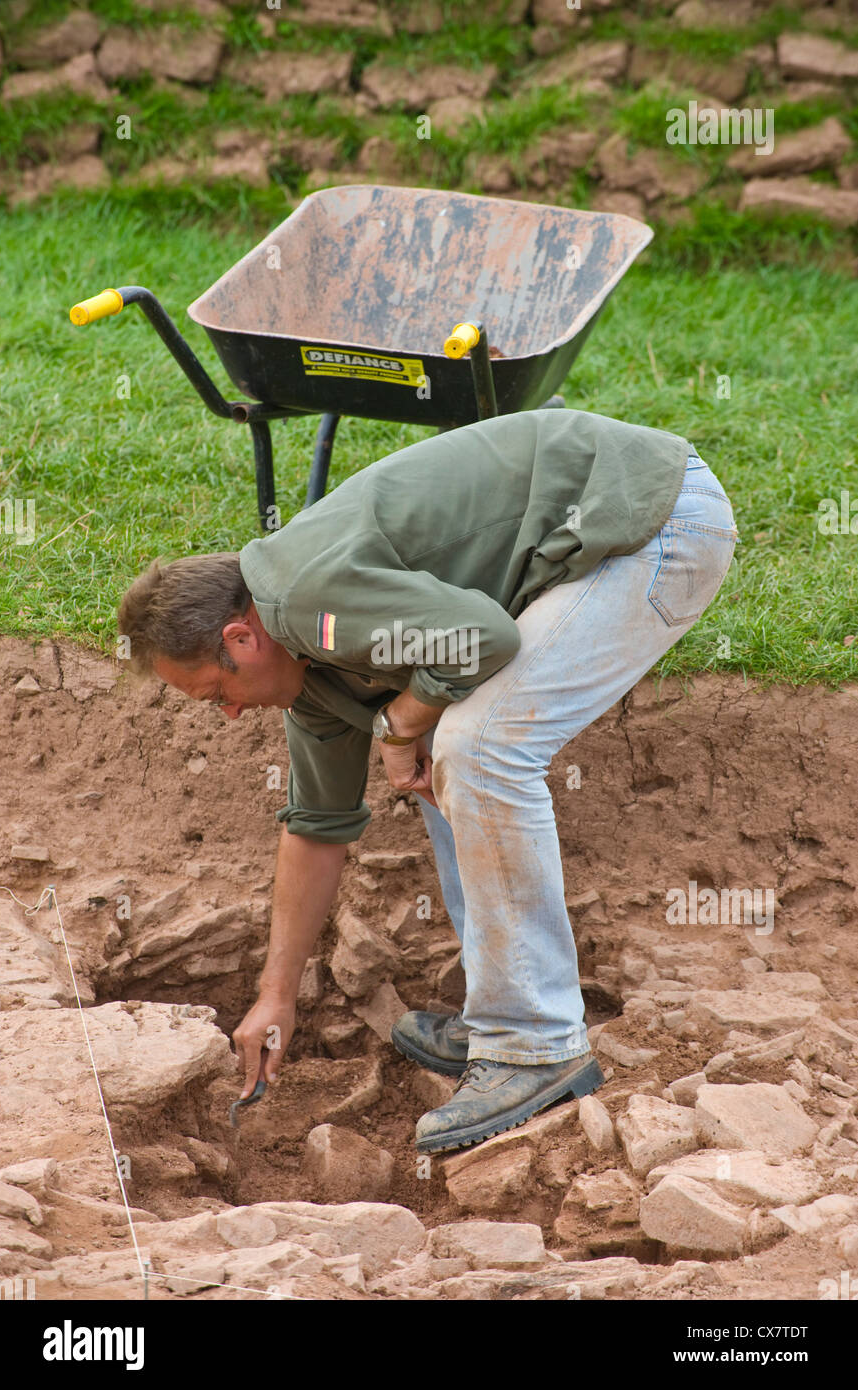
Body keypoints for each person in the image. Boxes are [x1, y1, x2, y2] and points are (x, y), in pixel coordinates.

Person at [117, 408, 739, 1154]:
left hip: (648, 521)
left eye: (214, 692)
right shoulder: (303, 671)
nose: (225, 715)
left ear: (239, 638)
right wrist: (275, 994)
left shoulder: (308, 602)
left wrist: (399, 723)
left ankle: (533, 1043)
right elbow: (316, 829)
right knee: (454, 743)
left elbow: (483, 638)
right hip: (590, 534)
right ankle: (501, 1015)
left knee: (479, 744)